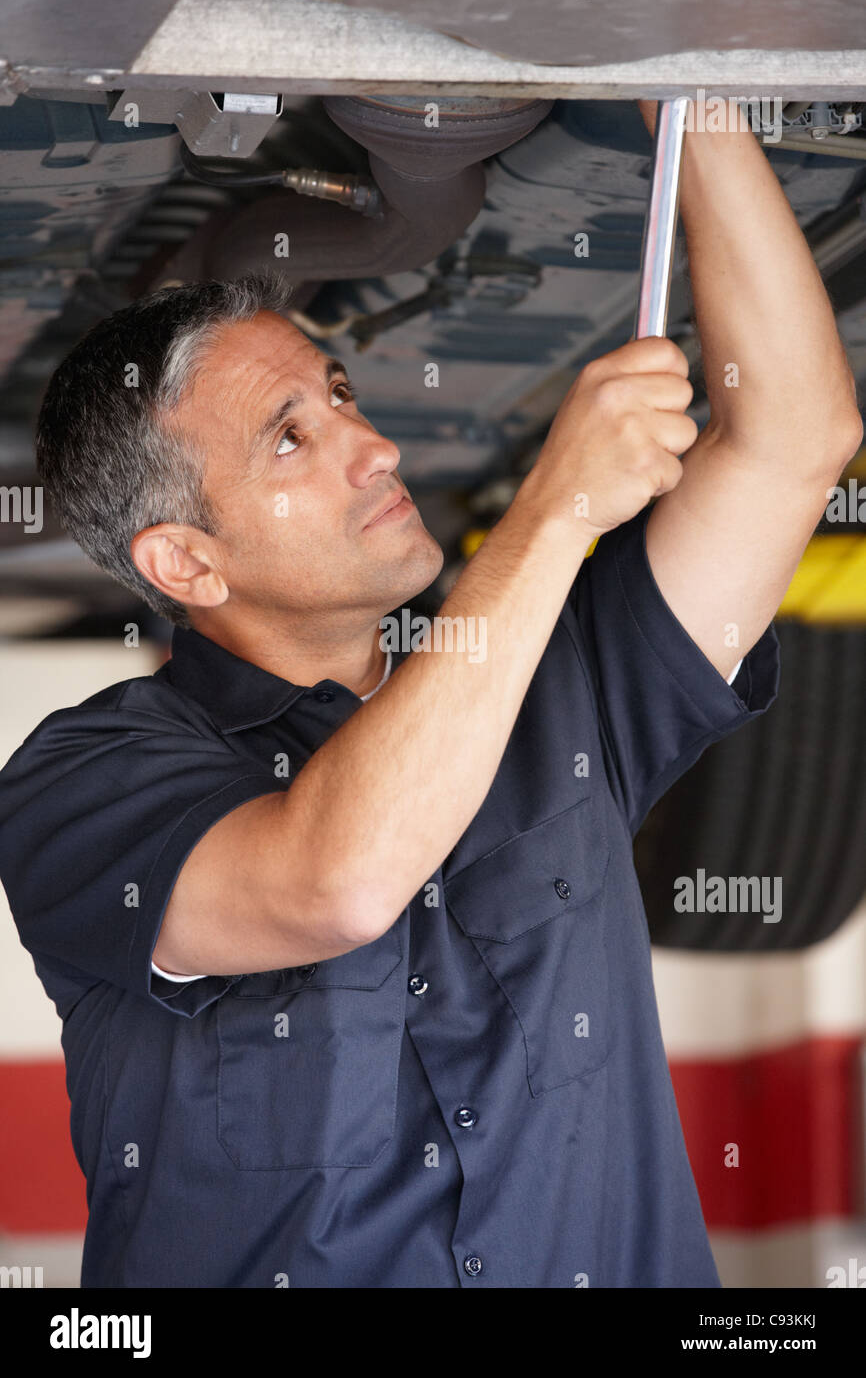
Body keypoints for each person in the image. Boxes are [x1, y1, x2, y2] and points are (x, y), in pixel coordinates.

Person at [0, 101, 860, 1288]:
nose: (376, 444)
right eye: (290, 438)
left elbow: (791, 437)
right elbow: (339, 878)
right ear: (185, 564)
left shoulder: (555, 678)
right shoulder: (81, 783)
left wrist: (691, 80)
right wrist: (549, 508)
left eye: (341, 392)